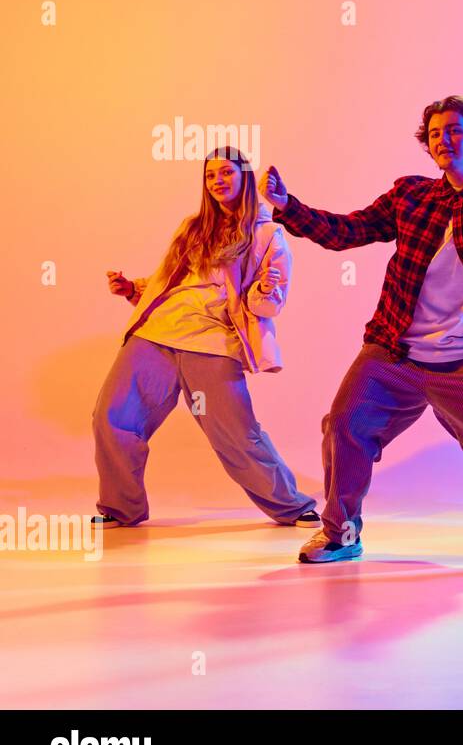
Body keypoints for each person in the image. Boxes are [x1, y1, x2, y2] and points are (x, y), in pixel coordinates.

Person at [261, 95, 463, 563]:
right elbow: (349, 230)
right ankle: (341, 534)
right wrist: (289, 207)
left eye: (455, 131)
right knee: (345, 424)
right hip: (394, 350)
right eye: (436, 134)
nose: (444, 140)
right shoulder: (412, 195)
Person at [93, 147, 319, 529]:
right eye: (211, 175)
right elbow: (170, 280)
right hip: (157, 333)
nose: (218, 181)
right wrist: (133, 287)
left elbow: (267, 308)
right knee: (111, 416)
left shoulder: (268, 235)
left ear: (245, 177)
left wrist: (266, 288)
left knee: (235, 433)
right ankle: (121, 508)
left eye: (226, 173)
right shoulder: (192, 227)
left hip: (213, 339)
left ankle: (292, 506)